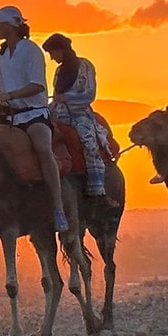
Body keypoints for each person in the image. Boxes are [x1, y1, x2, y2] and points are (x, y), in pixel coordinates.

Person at [0, 6, 68, 231]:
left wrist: (9, 95)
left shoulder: (31, 50)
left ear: (10, 26)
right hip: (7, 115)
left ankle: (58, 207)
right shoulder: (0, 54)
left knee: (42, 147)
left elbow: (36, 85)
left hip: (32, 114)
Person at [42, 33, 115, 206]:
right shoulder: (59, 71)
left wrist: (66, 98)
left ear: (61, 50)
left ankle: (98, 191)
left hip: (79, 113)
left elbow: (89, 94)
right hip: (56, 111)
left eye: (53, 53)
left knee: (89, 142)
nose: (52, 58)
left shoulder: (85, 67)